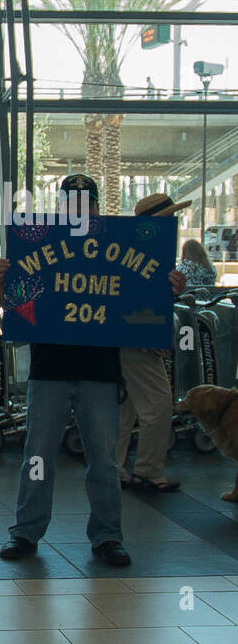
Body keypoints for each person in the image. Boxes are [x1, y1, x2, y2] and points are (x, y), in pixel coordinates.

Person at [0, 174, 185, 567]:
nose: (80, 211)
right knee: (38, 456)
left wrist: (168, 291)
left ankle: (107, 536)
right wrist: (0, 282)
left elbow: (144, 298)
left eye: (87, 204)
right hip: (50, 370)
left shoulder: (116, 245)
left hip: (99, 372)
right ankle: (26, 532)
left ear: (97, 207)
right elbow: (15, 309)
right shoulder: (42, 245)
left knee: (104, 460)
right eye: (72, 204)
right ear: (62, 207)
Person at [115, 193, 193, 493]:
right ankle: (147, 471)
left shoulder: (135, 250)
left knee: (127, 408)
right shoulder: (151, 250)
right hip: (139, 339)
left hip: (128, 337)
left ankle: (116, 468)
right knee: (159, 406)